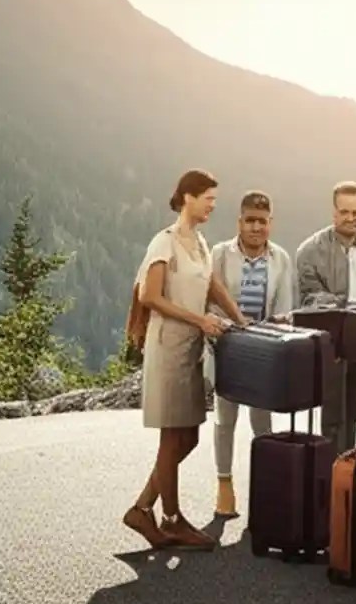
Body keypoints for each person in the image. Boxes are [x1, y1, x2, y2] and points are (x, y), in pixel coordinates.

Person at [122, 169, 250, 551]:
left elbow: (212, 285)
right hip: (168, 349)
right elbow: (149, 295)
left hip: (190, 350)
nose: (213, 205)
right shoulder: (164, 243)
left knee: (189, 435)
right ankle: (172, 519)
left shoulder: (198, 241)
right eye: (208, 198)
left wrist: (242, 321)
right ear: (187, 197)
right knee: (172, 435)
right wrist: (201, 320)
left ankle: (143, 507)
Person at [203, 190, 297, 518]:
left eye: (262, 221)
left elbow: (283, 308)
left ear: (271, 223)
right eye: (250, 221)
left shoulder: (281, 259)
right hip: (227, 346)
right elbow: (208, 299)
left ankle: (266, 488)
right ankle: (224, 486)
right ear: (239, 222)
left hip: (262, 349)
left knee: (262, 421)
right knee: (225, 418)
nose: (256, 227)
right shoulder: (219, 254)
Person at [294, 181, 356, 451]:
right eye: (345, 212)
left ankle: (348, 469)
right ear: (334, 212)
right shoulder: (309, 251)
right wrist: (347, 303)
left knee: (354, 408)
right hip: (331, 340)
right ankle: (329, 473)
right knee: (333, 412)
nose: (351, 219)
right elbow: (310, 299)